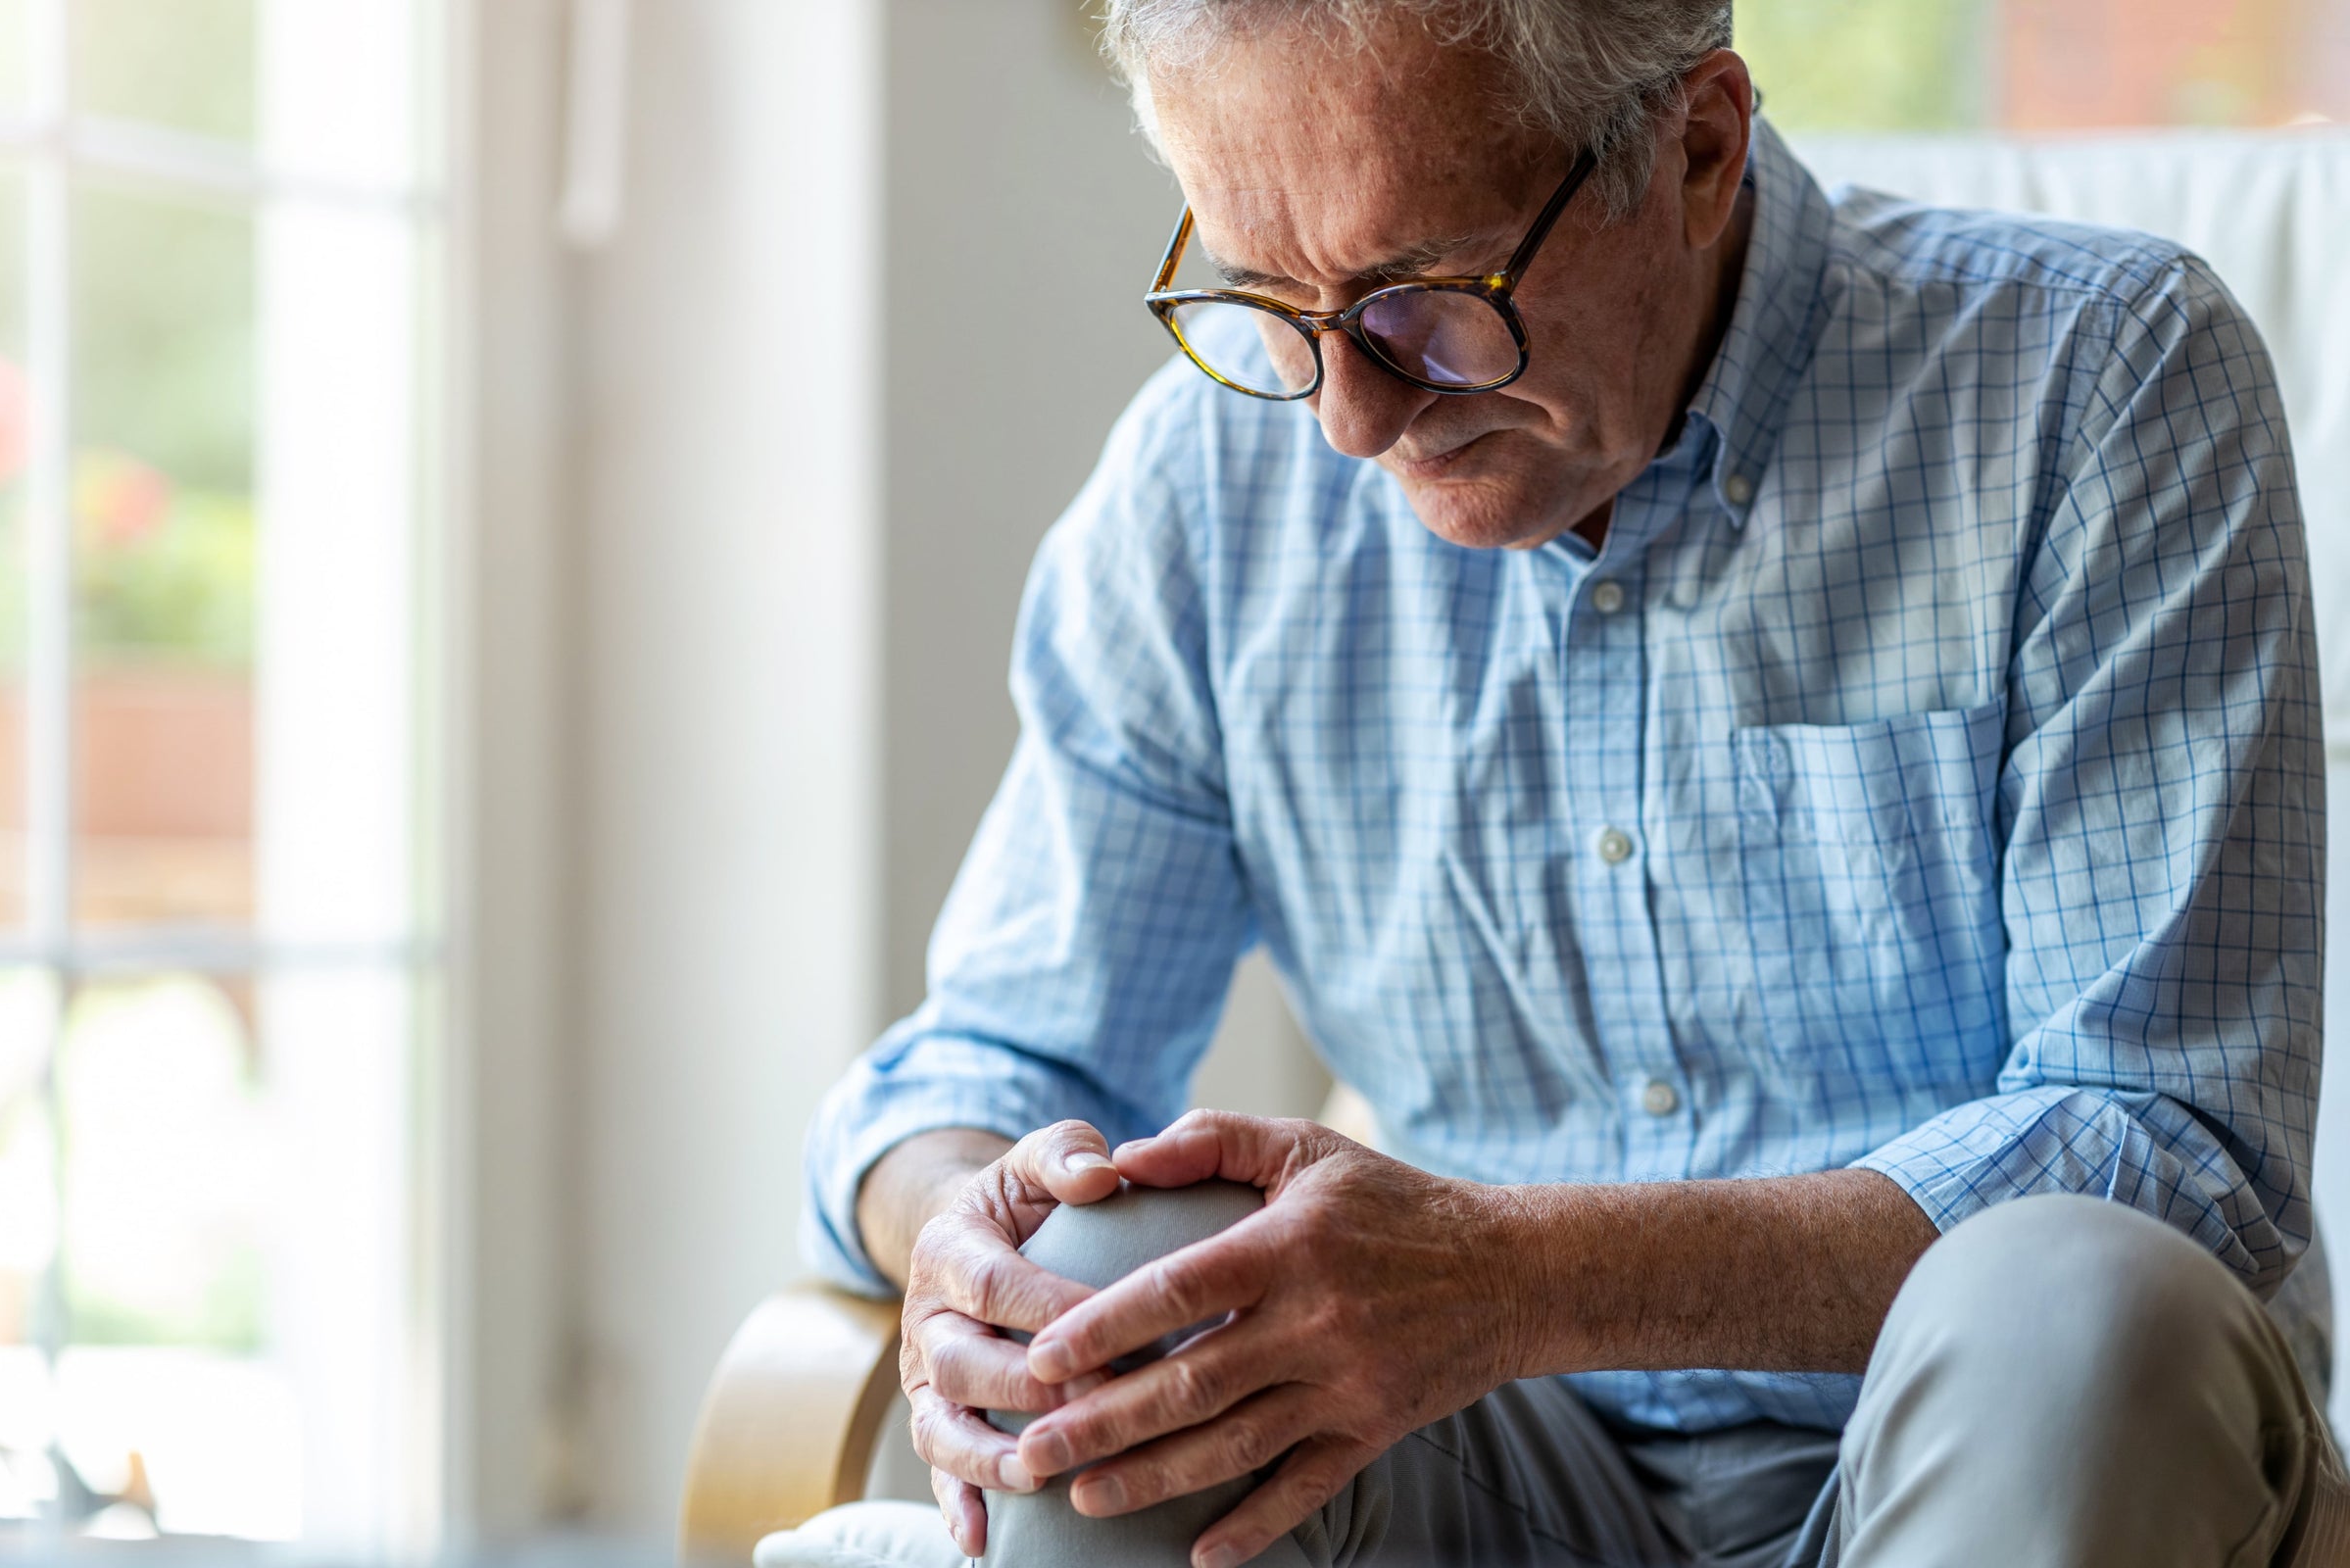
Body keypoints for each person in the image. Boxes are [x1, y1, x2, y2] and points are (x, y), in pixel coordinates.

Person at [781, 2, 2338, 1564]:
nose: (1349, 418)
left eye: (1422, 298)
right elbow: (983, 1063)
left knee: (2065, 1295)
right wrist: (971, 1246)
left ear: (1700, 148)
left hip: (2002, 1447)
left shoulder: (2097, 378)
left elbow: (2172, 1150)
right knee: (1121, 1286)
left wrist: (1507, 1277)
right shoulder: (1205, 495)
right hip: (1494, 1475)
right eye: (1264, 297)